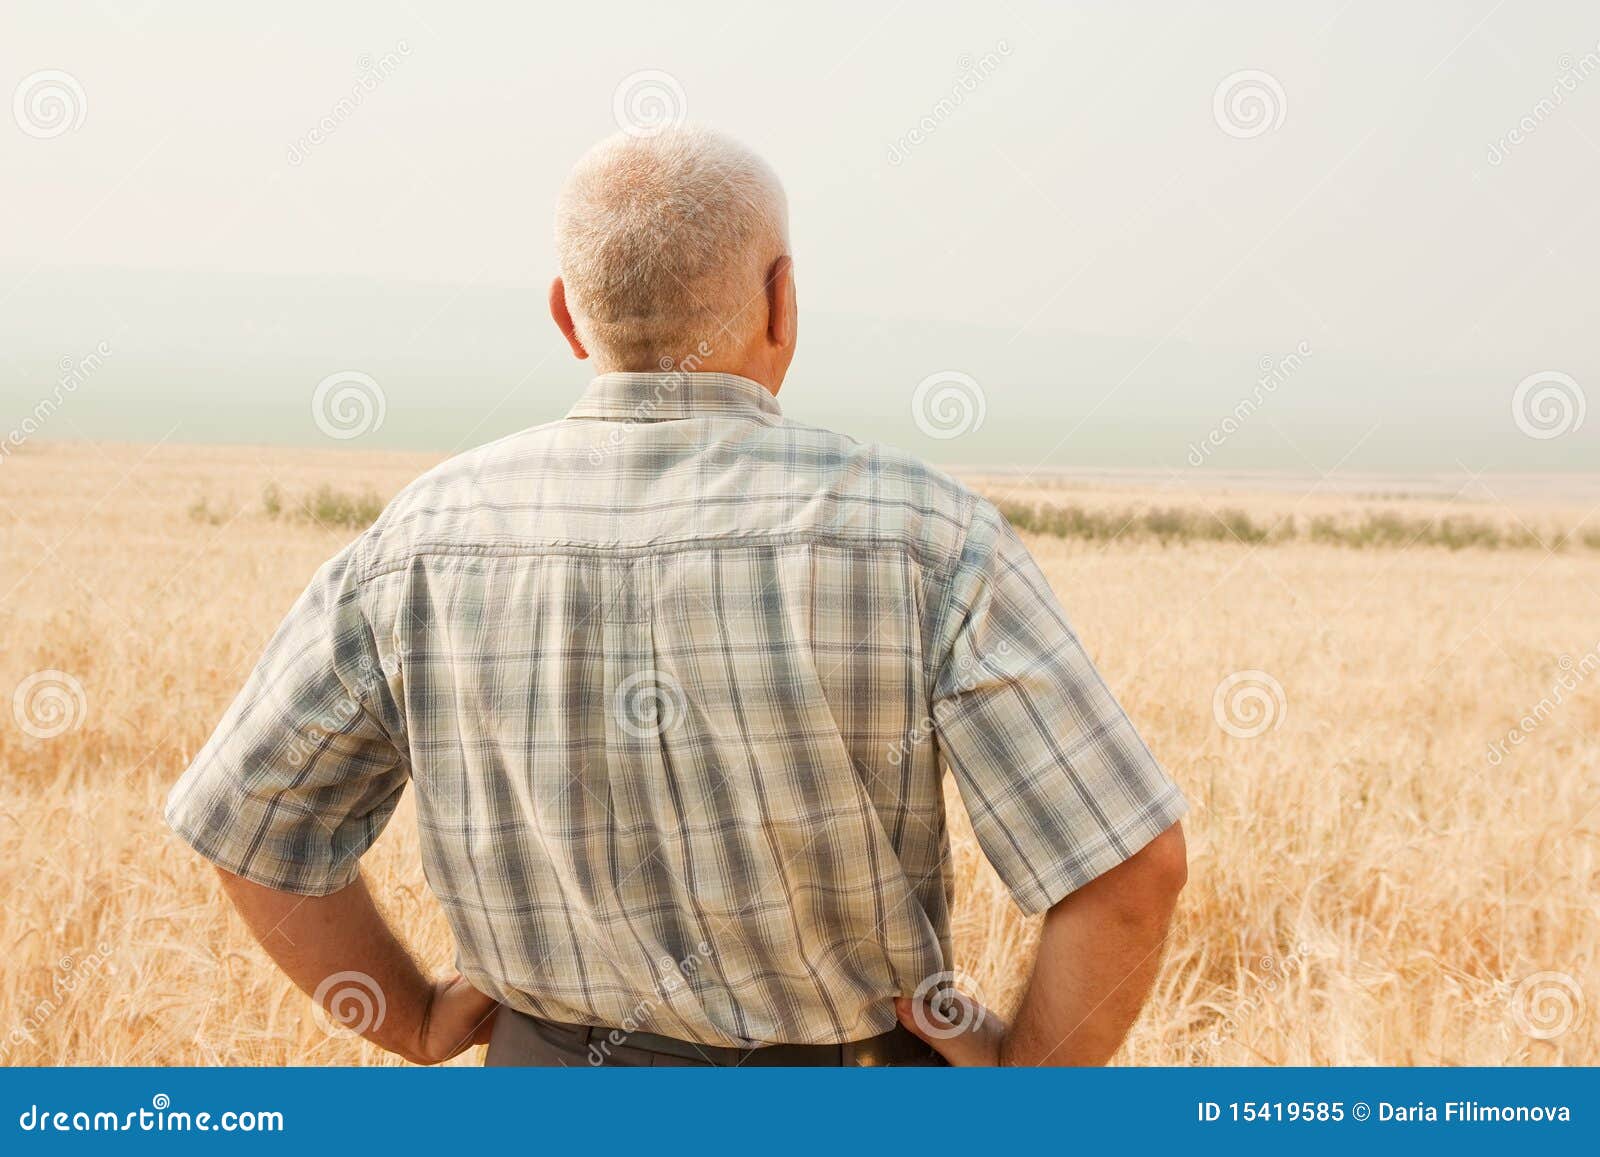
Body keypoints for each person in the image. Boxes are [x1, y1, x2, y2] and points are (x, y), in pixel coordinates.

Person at [165, 126, 1188, 1067]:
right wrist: (1026, 1096)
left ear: (568, 312)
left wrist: (407, 1014)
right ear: (783, 299)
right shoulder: (927, 533)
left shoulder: (419, 536)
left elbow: (247, 822)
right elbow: (1129, 874)